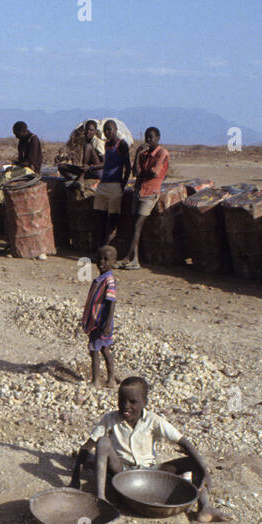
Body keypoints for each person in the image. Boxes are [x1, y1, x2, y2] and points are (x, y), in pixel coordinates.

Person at [69, 375, 231, 522]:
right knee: (103, 442)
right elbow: (88, 446)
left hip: (151, 471)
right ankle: (101, 499)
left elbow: (183, 442)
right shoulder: (110, 419)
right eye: (121, 400)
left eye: (133, 402)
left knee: (194, 463)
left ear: (145, 402)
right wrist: (75, 477)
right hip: (121, 470)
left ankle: (204, 508)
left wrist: (204, 471)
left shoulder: (153, 420)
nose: (125, 406)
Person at [120, 127, 169, 269]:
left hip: (150, 193)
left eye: (151, 138)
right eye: (146, 137)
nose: (148, 140)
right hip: (139, 191)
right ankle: (134, 260)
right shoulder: (144, 154)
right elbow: (135, 172)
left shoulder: (162, 153)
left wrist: (142, 173)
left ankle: (127, 257)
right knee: (135, 225)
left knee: (137, 224)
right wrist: (137, 154)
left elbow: (154, 173)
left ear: (158, 138)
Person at [77, 245, 118, 387]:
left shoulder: (109, 281)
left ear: (114, 261)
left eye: (106, 259)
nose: (102, 262)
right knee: (104, 349)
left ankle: (96, 380)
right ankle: (111, 379)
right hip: (97, 321)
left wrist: (107, 324)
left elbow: (111, 303)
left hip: (100, 323)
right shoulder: (101, 279)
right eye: (99, 258)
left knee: (95, 350)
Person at [94, 120, 130, 252]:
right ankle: (99, 248)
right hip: (103, 184)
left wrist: (122, 184)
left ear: (115, 130)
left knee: (112, 220)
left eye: (110, 129)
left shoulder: (122, 144)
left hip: (115, 185)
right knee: (100, 219)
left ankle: (105, 249)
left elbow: (128, 166)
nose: (107, 132)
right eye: (105, 130)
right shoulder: (107, 145)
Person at [0, 120, 43, 205]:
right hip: (24, 167)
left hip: (32, 170)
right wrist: (13, 164)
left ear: (23, 131)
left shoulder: (33, 140)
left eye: (16, 134)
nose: (15, 136)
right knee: (2, 174)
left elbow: (30, 161)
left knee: (7, 176)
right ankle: (2, 197)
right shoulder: (22, 141)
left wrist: (15, 166)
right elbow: (21, 160)